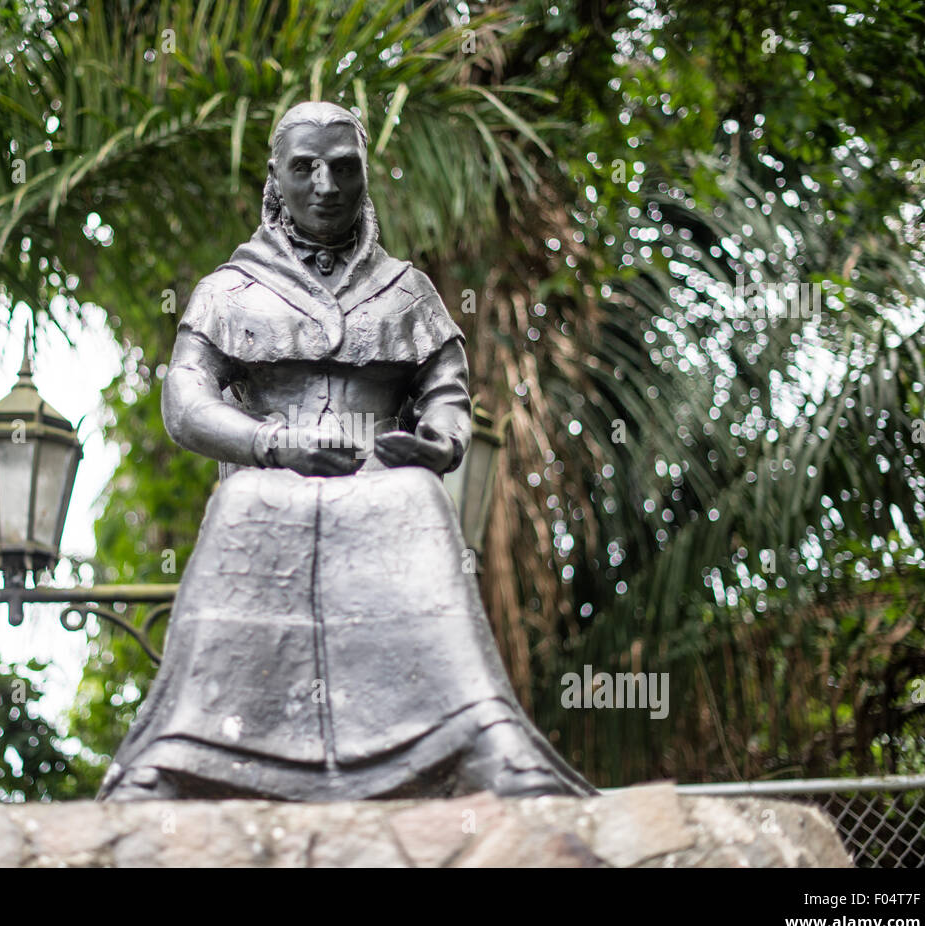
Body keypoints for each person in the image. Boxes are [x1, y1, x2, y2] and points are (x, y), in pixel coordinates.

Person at [100, 102, 594, 801]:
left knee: (416, 498)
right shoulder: (228, 291)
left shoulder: (408, 290)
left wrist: (441, 440)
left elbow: (446, 391)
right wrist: (274, 444)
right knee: (245, 498)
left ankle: (478, 736)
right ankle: (185, 753)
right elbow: (185, 401)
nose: (324, 184)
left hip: (383, 476)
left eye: (343, 167)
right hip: (268, 474)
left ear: (365, 177)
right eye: (303, 168)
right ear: (275, 180)